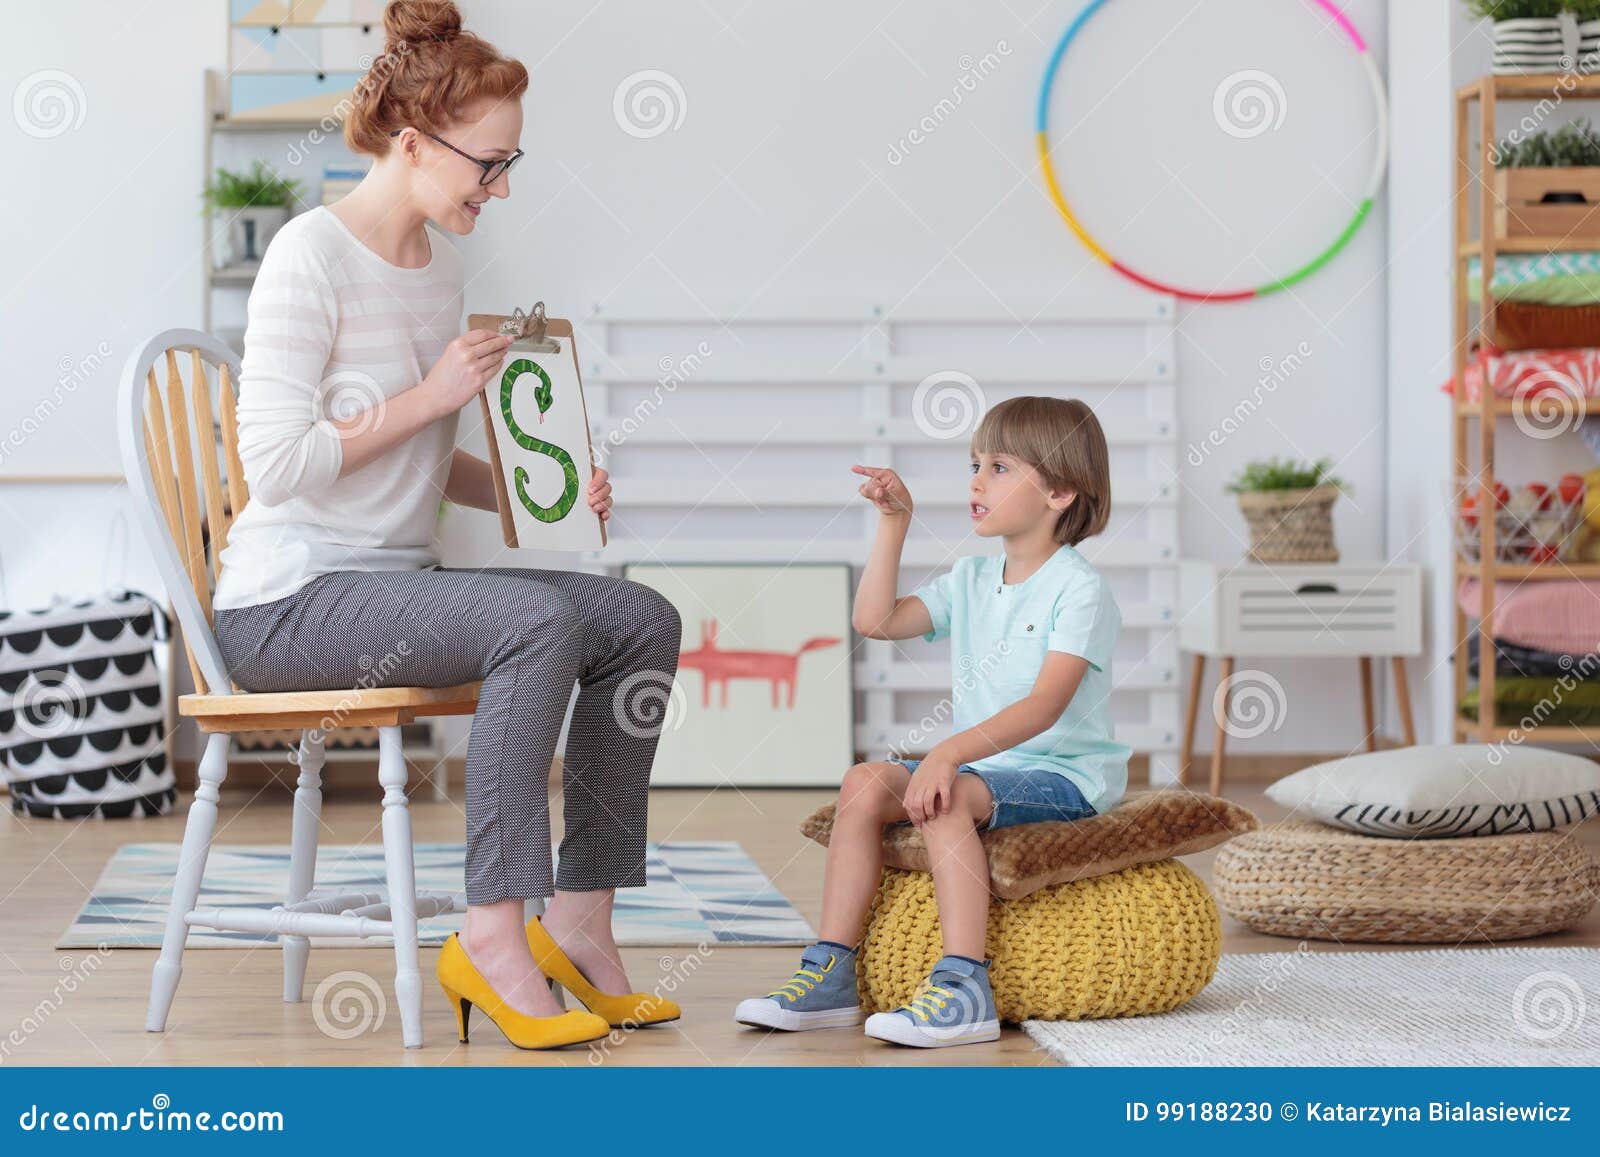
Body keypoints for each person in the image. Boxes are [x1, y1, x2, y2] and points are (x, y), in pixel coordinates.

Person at [211, 0, 680, 1050]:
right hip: (286, 603)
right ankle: (492, 934)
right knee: (533, 623)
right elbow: (275, 465)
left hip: (394, 585)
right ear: (414, 142)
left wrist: (537, 486)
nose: (500, 188)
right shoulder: (307, 256)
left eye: (511, 165)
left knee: (639, 618)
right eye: (489, 165)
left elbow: (419, 461)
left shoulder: (445, 269)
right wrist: (429, 395)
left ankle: (580, 924)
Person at [734, 396, 1131, 1048]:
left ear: (1059, 492)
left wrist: (944, 755)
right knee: (864, 783)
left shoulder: (1079, 589)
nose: (976, 482)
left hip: (1062, 776)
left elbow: (1044, 707)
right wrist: (895, 522)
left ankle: (964, 984)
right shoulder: (971, 577)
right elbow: (875, 621)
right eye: (975, 465)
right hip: (982, 765)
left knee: (945, 797)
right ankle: (832, 972)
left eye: (999, 468)